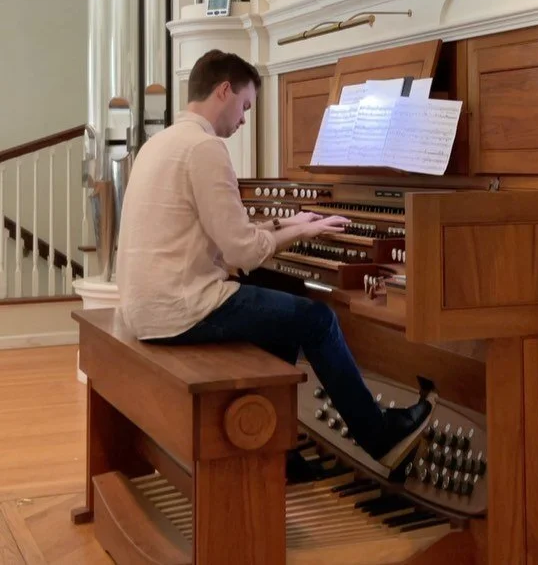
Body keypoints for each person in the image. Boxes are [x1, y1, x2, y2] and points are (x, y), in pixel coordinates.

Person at [116, 49, 435, 473]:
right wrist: (302, 230)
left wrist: (281, 223)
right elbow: (242, 252)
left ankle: (278, 449)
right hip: (180, 309)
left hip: (147, 305)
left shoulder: (161, 143)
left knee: (282, 302)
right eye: (245, 105)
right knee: (317, 320)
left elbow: (219, 228)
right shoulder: (204, 148)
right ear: (224, 90)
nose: (244, 119)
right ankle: (380, 436)